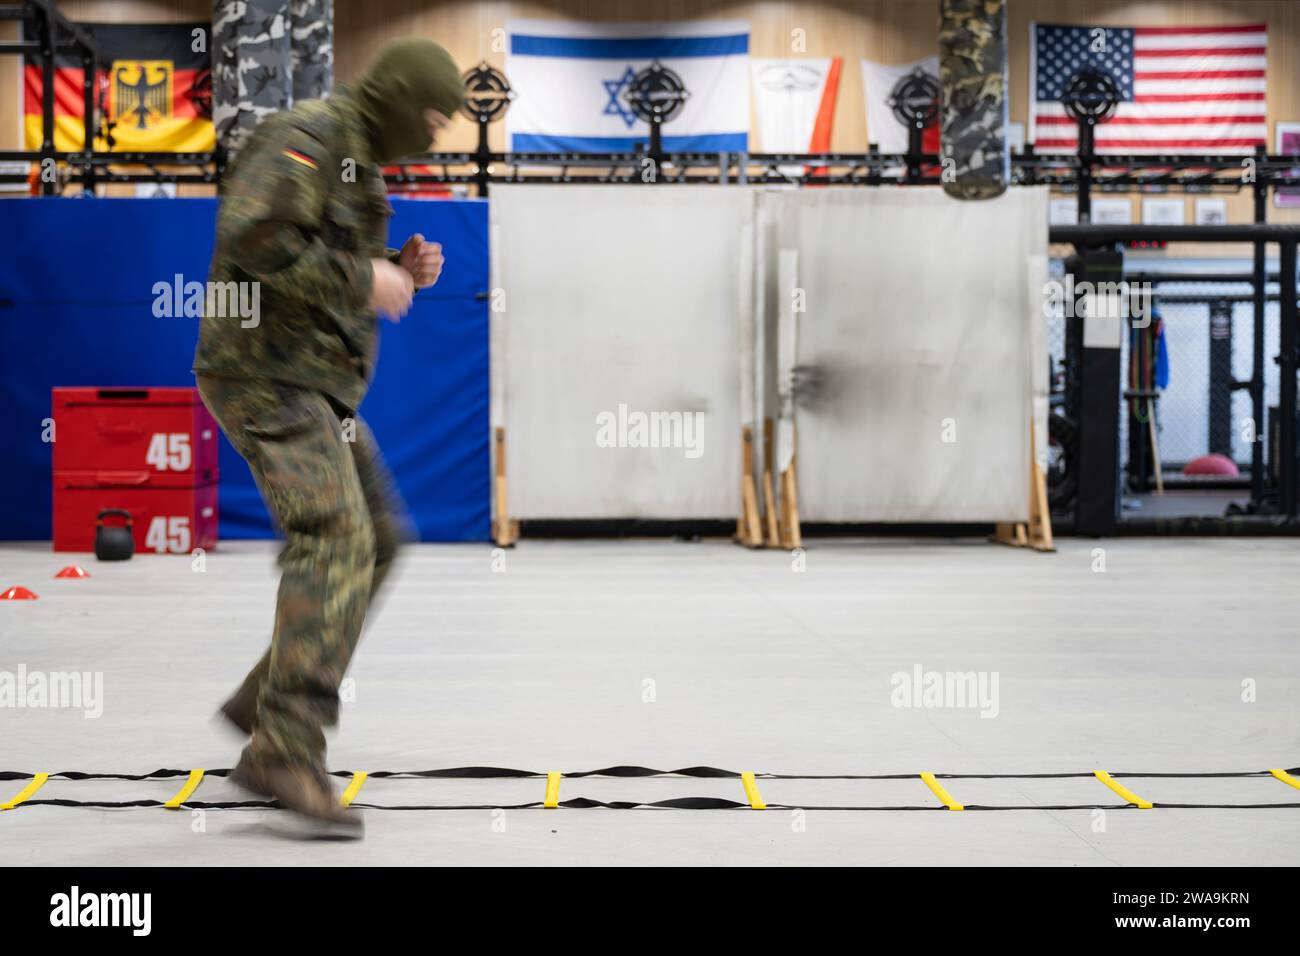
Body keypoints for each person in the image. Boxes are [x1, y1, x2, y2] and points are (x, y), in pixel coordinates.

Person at [192, 38, 464, 837]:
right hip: (260, 373)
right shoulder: (309, 135)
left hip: (312, 384)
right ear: (400, 101)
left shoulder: (358, 158)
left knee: (378, 536)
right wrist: (362, 278)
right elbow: (254, 236)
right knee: (337, 534)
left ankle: (265, 701)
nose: (433, 138)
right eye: (432, 121)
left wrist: (396, 264)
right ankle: (285, 746)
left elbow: (318, 249)